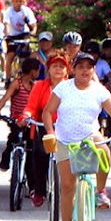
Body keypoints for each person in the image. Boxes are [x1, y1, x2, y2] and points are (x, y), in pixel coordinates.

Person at [43, 53, 111, 221]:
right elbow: (47, 112)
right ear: (73, 69)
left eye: (89, 67)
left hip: (89, 137)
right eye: (81, 66)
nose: (85, 70)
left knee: (105, 152)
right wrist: (50, 132)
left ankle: (100, 191)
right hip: (65, 140)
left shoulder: (99, 90)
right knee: (67, 187)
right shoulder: (63, 88)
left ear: (93, 70)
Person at [19, 53, 72, 205]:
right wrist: (26, 115)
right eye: (55, 66)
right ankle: (39, 190)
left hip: (66, 127)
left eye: (61, 66)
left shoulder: (72, 87)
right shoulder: (40, 86)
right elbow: (31, 106)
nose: (58, 69)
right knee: (39, 152)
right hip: (43, 126)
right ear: (48, 69)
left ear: (67, 70)